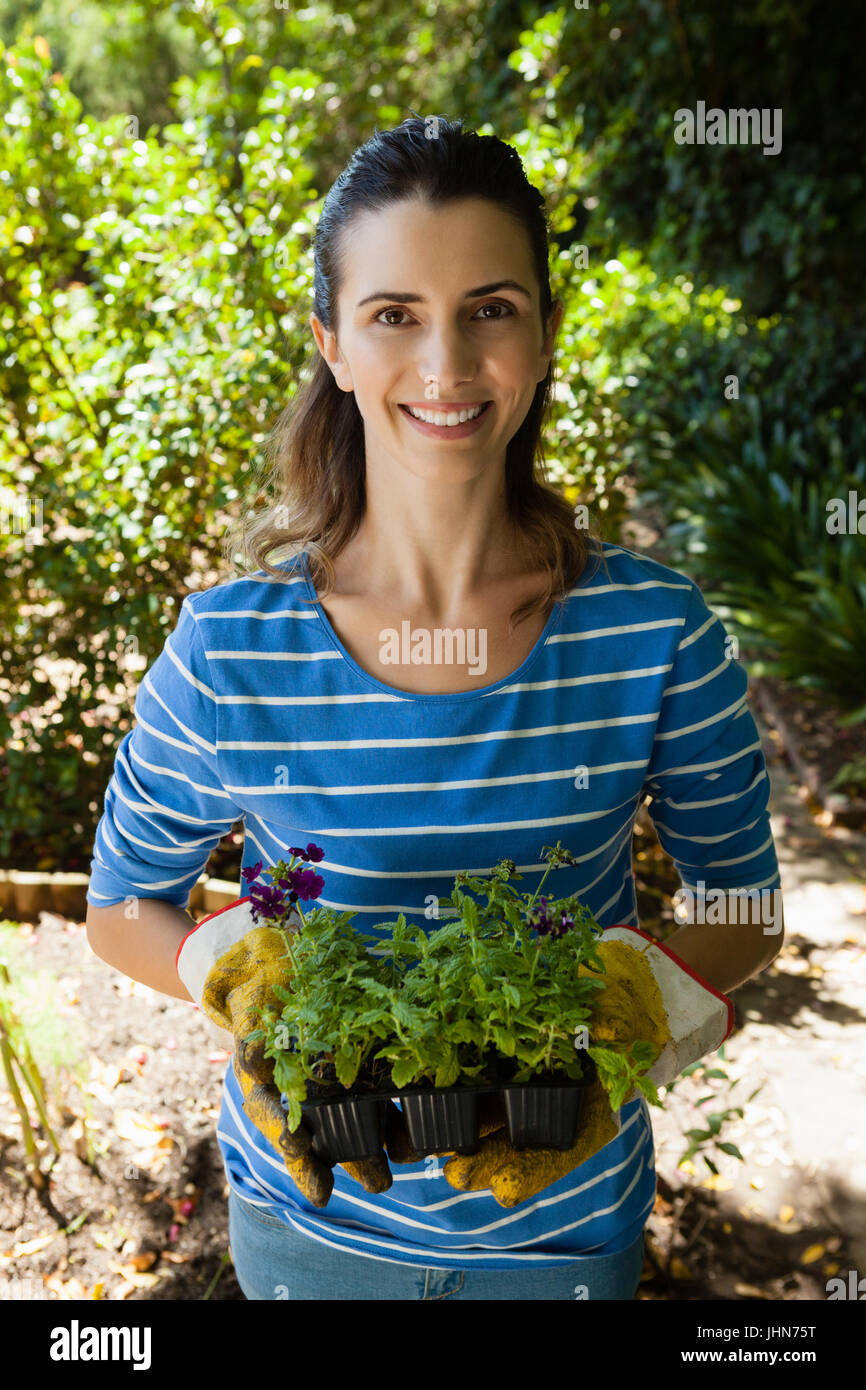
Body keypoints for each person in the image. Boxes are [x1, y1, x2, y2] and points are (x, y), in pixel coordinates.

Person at [85, 115, 784, 1301]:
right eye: (394, 314)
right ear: (333, 345)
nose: (446, 366)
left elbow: (742, 905)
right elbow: (120, 906)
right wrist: (235, 974)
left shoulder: (653, 629)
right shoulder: (230, 647)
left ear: (545, 335)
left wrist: (630, 1016)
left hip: (560, 1236)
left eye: (491, 310)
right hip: (306, 1225)